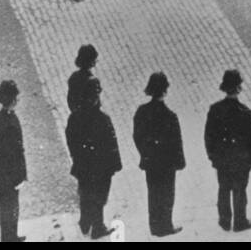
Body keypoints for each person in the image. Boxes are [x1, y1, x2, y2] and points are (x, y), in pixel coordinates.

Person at [65, 77, 122, 239]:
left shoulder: (75, 117)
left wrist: (76, 157)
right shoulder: (102, 119)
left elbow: (71, 139)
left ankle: (84, 222)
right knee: (99, 196)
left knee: (85, 192)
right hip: (101, 167)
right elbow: (112, 144)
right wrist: (115, 165)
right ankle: (97, 227)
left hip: (83, 165)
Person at [204, 69, 251, 232]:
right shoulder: (245, 112)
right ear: (238, 88)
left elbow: (209, 136)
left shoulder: (215, 110)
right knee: (240, 190)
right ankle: (240, 220)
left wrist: (212, 156)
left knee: (223, 188)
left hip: (222, 158)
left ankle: (224, 220)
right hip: (241, 158)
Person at [133, 71, 185, 237]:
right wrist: (180, 161)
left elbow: (137, 136)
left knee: (153, 193)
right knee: (167, 194)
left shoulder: (142, 112)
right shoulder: (170, 116)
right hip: (167, 163)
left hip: (151, 162)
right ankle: (166, 225)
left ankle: (155, 226)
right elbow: (177, 142)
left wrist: (145, 153)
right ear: (165, 90)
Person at [0, 79, 27, 243]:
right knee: (11, 206)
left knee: (7, 205)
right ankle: (9, 238)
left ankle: (9, 236)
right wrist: (20, 174)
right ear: (12, 99)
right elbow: (13, 151)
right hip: (10, 170)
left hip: (1, 168)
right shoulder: (9, 121)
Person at [68, 44, 100, 112]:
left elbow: (70, 99)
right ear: (92, 62)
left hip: (75, 115)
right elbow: (94, 102)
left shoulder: (74, 77)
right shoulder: (93, 81)